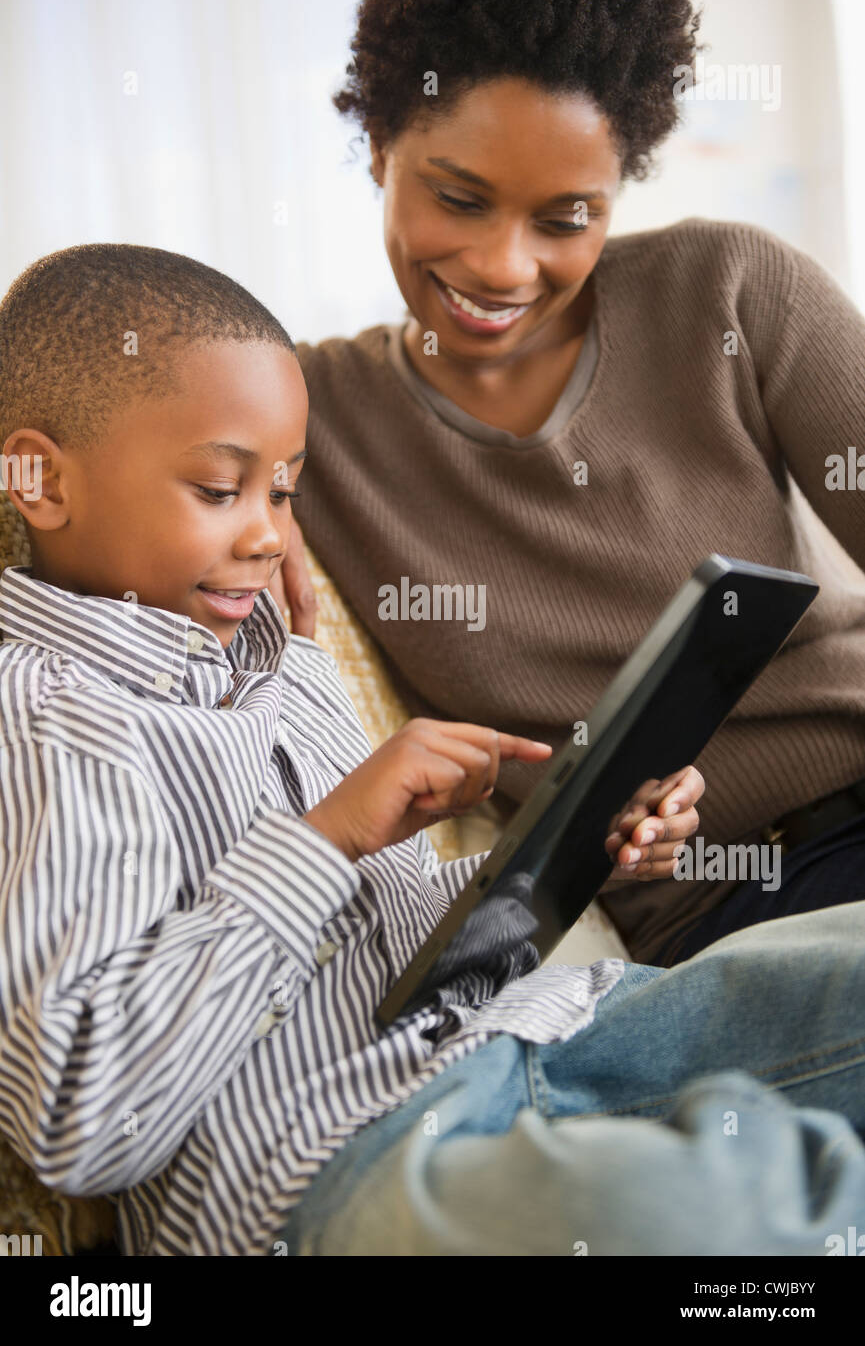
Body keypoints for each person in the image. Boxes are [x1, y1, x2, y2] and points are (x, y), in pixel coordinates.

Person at [1, 243, 864, 1259]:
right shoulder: (51, 720)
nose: (272, 536)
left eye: (283, 492)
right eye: (219, 489)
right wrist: (323, 841)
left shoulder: (289, 662)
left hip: (544, 1032)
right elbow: (78, 1115)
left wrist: (575, 842)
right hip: (333, 1158)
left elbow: (398, 956)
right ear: (40, 480)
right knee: (678, 1214)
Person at [276, 0, 865, 969]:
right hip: (724, 924)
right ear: (377, 145)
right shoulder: (299, 411)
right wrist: (250, 496)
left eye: (564, 219)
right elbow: (65, 357)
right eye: (459, 199)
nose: (506, 267)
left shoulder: (728, 290)